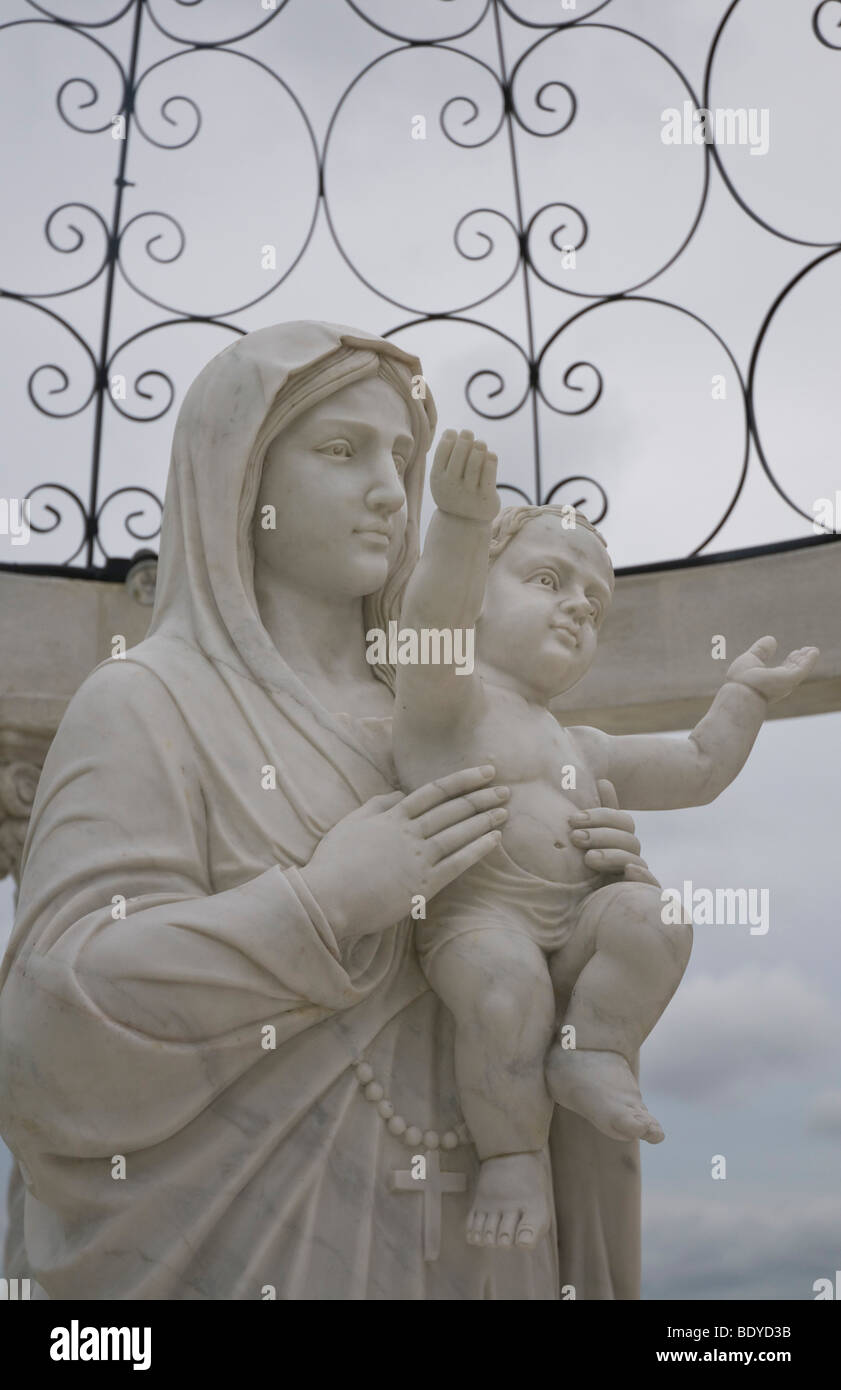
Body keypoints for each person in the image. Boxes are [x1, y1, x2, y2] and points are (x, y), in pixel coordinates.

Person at [0, 323, 656, 1300]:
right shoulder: (150, 702)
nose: (392, 490)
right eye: (341, 451)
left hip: (469, 1241)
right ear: (242, 478)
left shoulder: (451, 712)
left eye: (401, 456)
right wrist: (321, 904)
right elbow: (50, 1026)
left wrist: (598, 905)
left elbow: (535, 1007)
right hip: (239, 1249)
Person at [393, 427, 819, 1255]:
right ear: (477, 592)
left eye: (593, 605)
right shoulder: (446, 705)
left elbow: (696, 768)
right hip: (479, 922)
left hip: (573, 927)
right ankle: (511, 1155)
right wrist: (456, 524)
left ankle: (592, 1052)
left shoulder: (581, 744)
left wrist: (740, 700)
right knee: (507, 988)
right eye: (547, 580)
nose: (576, 607)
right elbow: (428, 627)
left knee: (653, 916)